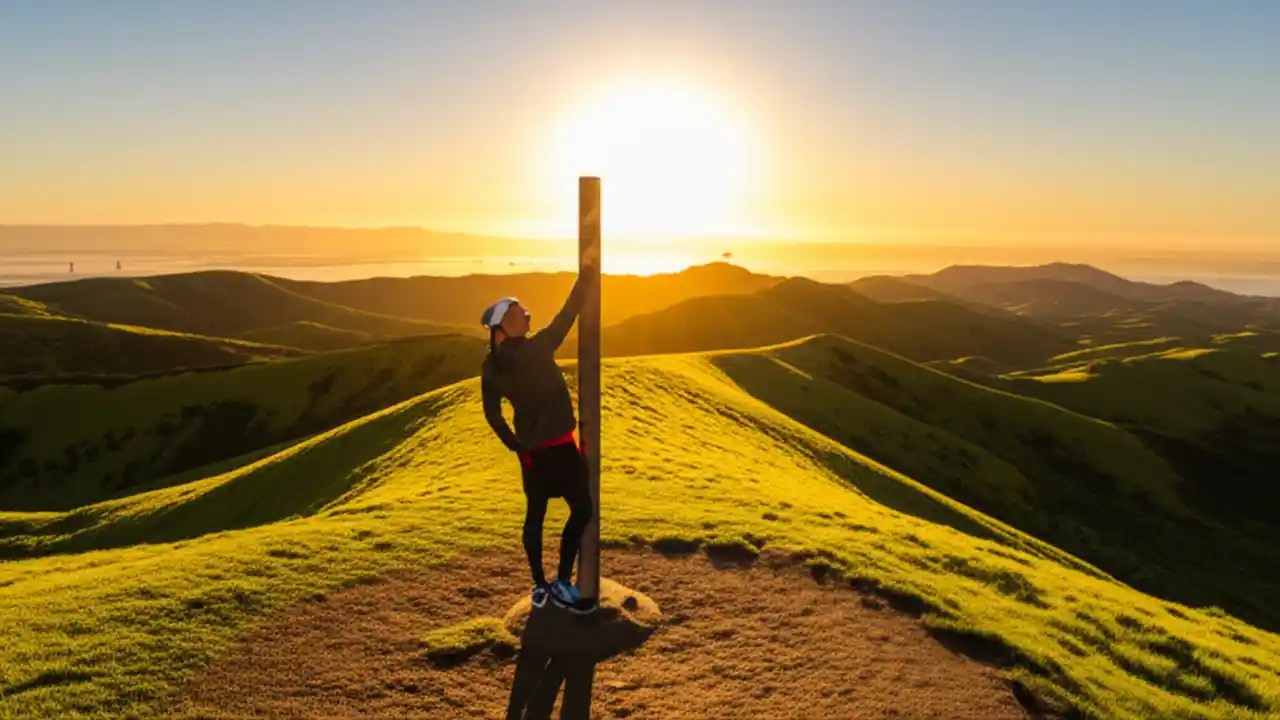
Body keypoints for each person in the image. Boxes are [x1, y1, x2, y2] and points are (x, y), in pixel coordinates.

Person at [480, 262, 597, 614]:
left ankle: (540, 586)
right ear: (502, 327)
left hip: (532, 456)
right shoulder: (538, 348)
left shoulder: (491, 366)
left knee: (535, 517)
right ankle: (562, 582)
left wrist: (517, 447)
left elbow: (493, 415)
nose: (528, 318)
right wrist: (586, 278)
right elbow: (568, 314)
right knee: (582, 509)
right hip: (560, 449)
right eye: (521, 315)